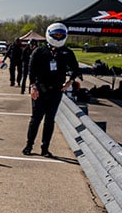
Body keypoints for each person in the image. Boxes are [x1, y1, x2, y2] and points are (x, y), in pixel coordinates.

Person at [22, 22, 80, 157]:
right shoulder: (39, 51)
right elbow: (31, 70)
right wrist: (32, 87)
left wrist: (70, 82)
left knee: (50, 120)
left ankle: (45, 148)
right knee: (36, 119)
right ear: (50, 35)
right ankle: (29, 145)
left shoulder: (67, 52)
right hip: (40, 89)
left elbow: (75, 69)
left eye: (61, 35)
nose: (58, 37)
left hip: (56, 91)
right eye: (56, 35)